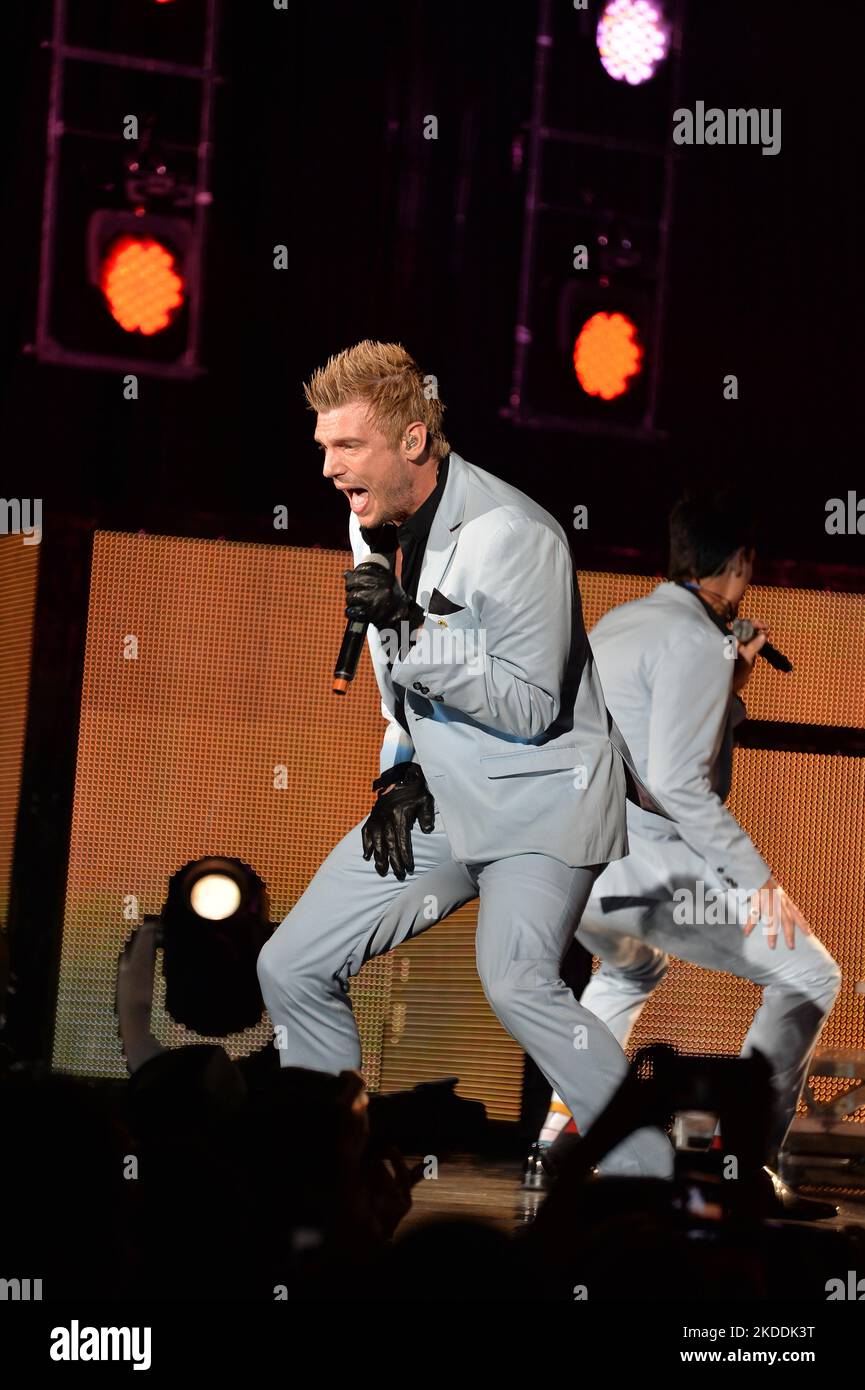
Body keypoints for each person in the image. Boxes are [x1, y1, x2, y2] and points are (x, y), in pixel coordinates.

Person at [257, 339, 674, 1179]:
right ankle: (329, 1164)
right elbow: (398, 684)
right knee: (291, 963)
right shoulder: (367, 515)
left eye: (348, 447)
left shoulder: (515, 534)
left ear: (412, 440)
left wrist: (408, 627)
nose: (331, 469)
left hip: (543, 798)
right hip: (446, 790)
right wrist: (401, 765)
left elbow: (529, 704)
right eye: (323, 448)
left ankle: (653, 1173)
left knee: (515, 977)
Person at [531, 493, 842, 1217]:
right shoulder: (695, 640)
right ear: (738, 564)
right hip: (645, 861)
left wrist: (730, 683)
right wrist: (758, 882)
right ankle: (746, 1171)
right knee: (808, 974)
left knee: (629, 966)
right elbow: (677, 781)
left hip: (579, 862)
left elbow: (651, 736)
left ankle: (559, 1138)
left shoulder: (625, 621)